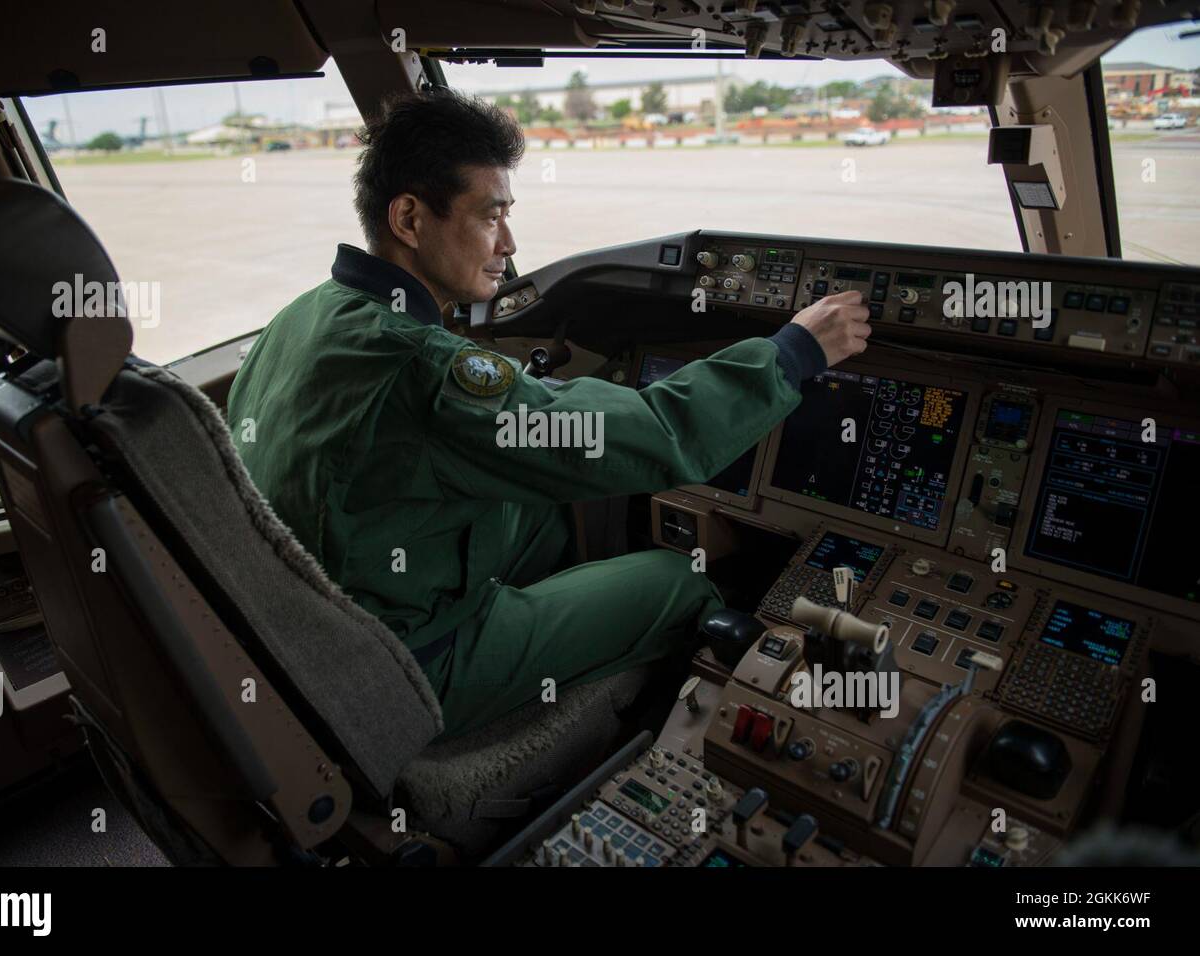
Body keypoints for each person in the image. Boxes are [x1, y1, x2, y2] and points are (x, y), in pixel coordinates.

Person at [227, 89, 870, 739]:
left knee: (553, 508)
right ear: (410, 219)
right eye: (490, 217)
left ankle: (561, 619)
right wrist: (793, 353)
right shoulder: (421, 365)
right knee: (678, 578)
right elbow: (656, 434)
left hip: (315, 619)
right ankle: (648, 746)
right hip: (403, 665)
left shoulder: (304, 314)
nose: (508, 242)